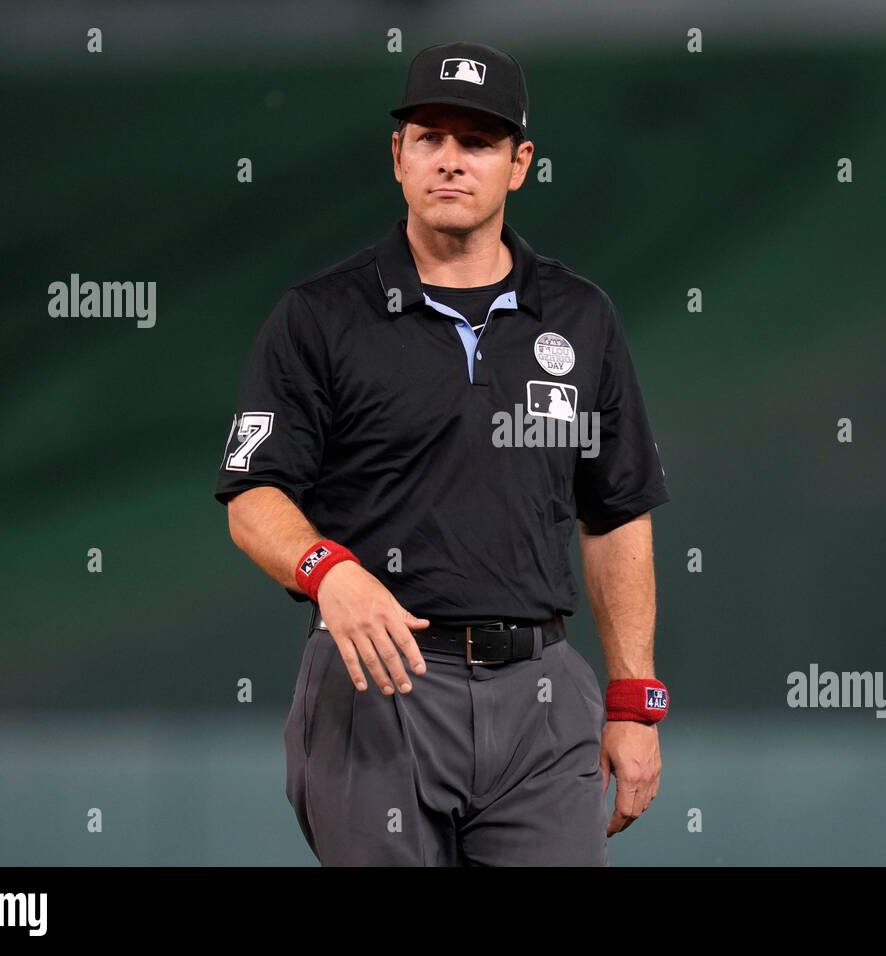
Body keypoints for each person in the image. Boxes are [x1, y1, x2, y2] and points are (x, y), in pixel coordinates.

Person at [214, 40, 671, 865]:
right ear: (399, 156)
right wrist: (329, 571)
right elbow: (253, 498)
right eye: (430, 137)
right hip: (377, 690)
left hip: (540, 697)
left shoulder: (579, 317)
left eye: (479, 142)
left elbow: (616, 512)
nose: (451, 161)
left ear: (520, 162)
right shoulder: (321, 316)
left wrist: (633, 699)